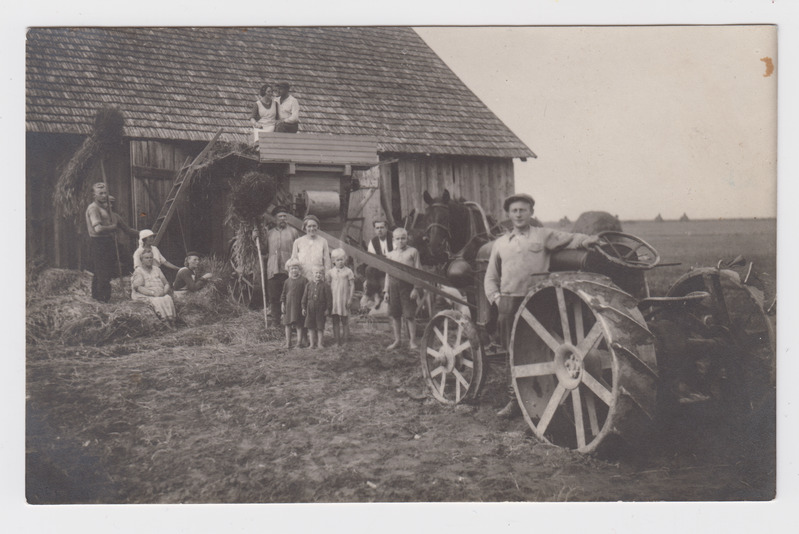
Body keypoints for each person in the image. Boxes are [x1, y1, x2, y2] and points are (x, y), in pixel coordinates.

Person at [484, 193, 599, 418]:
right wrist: (496, 299)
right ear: (509, 214)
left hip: (538, 300)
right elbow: (490, 277)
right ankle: (514, 401)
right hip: (509, 301)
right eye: (514, 211)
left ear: (531, 213)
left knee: (546, 347)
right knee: (511, 351)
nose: (518, 214)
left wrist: (587, 241)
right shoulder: (500, 244)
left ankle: (547, 396)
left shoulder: (543, 236)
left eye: (523, 210)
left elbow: (570, 239)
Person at [85, 182, 138, 302]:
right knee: (102, 273)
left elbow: (128, 230)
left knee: (129, 260)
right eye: (101, 193)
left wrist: (144, 234)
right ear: (94, 195)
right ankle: (101, 300)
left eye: (105, 193)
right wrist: (112, 227)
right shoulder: (93, 208)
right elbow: (97, 229)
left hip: (110, 242)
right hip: (99, 243)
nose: (104, 196)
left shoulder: (113, 215)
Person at [383, 227, 421, 350]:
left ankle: (412, 341)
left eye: (403, 238)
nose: (400, 241)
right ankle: (397, 340)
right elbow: (387, 274)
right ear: (393, 239)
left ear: (407, 238)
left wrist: (415, 288)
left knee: (409, 315)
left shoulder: (413, 252)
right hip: (393, 287)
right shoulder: (390, 254)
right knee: (395, 314)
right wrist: (386, 291)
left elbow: (418, 272)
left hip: (408, 287)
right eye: (398, 239)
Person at [263, 206, 300, 325]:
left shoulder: (293, 232)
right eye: (280, 216)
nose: (283, 218)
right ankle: (275, 322)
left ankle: (291, 323)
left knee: (290, 298)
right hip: (273, 270)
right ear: (275, 219)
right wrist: (255, 237)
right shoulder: (269, 234)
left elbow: (299, 250)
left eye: (285, 216)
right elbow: (263, 250)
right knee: (274, 298)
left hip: (289, 271)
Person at [131, 248, 176, 327]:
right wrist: (153, 293)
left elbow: (166, 283)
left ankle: (172, 321)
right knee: (157, 300)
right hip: (147, 294)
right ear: (142, 260)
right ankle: (165, 322)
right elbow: (138, 288)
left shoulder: (157, 269)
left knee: (167, 298)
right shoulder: (139, 271)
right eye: (146, 258)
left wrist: (164, 292)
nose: (149, 260)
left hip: (160, 293)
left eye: (151, 257)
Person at [327, 248, 355, 346]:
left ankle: (346, 340)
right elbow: (328, 285)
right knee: (335, 320)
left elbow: (352, 285)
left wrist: (350, 298)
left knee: (345, 320)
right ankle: (337, 340)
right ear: (333, 261)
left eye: (342, 259)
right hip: (334, 300)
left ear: (345, 259)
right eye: (337, 260)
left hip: (343, 299)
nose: (340, 262)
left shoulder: (348, 271)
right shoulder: (330, 272)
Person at [291, 215, 331, 282]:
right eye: (309, 226)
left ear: (317, 227)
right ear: (305, 227)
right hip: (302, 278)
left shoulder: (323, 241)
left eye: (314, 226)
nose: (312, 229)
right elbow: (293, 261)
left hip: (318, 278)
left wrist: (327, 277)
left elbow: (327, 261)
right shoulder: (298, 242)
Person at [302, 265, 332, 349]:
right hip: (310, 308)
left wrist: (327, 309)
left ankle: (320, 343)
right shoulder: (308, 285)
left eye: (320, 273)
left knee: (320, 327)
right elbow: (304, 297)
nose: (318, 275)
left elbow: (329, 299)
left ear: (323, 275)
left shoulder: (325, 286)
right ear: (312, 274)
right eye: (316, 273)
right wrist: (303, 307)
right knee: (310, 327)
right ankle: (312, 344)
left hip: (321, 309)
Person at [281, 258, 308, 349]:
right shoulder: (287, 281)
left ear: (299, 269)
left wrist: (304, 307)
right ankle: (288, 343)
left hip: (298, 306)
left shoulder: (304, 280)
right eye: (292, 268)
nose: (294, 270)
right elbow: (284, 293)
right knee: (287, 324)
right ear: (288, 270)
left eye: (296, 268)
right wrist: (283, 304)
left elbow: (306, 294)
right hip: (288, 306)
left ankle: (299, 343)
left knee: (299, 324)